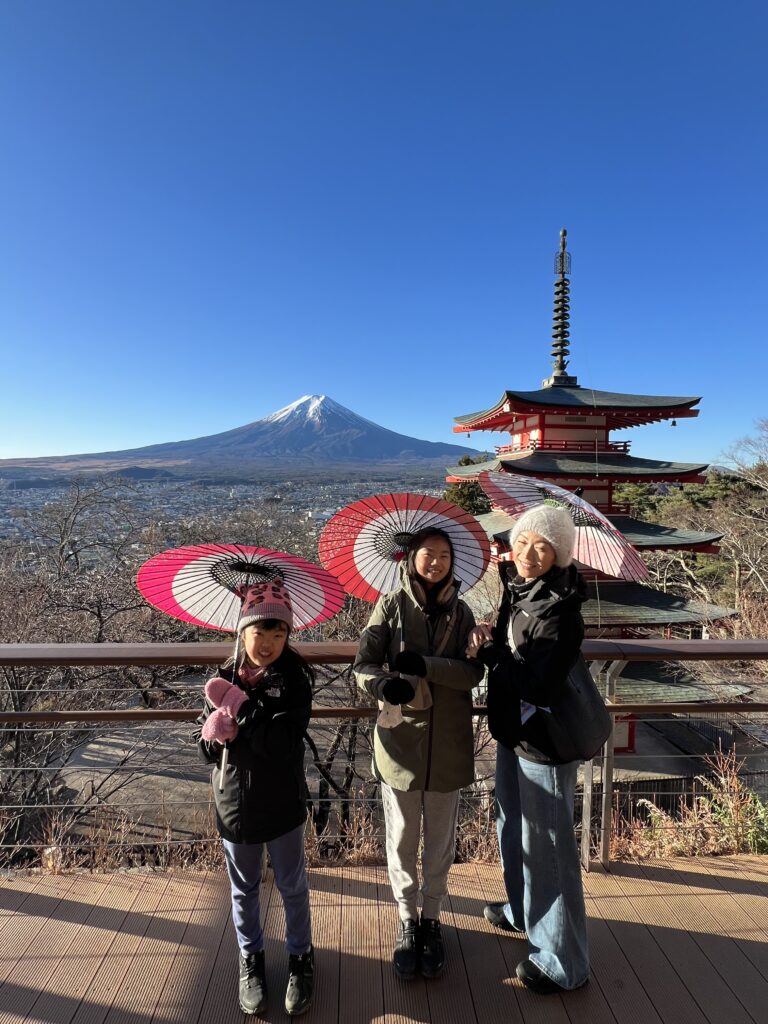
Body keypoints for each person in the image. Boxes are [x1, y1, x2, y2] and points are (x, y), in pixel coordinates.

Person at [467, 504, 590, 995]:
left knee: (550, 846)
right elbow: (509, 646)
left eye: (543, 545)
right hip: (512, 732)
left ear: (560, 553)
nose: (529, 553)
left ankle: (565, 960)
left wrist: (493, 653)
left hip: (545, 741)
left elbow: (538, 683)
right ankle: (523, 911)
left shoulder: (562, 610)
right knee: (512, 826)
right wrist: (487, 633)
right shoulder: (520, 591)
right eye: (523, 542)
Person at [354, 527, 483, 979]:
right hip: (400, 742)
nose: (435, 562)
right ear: (410, 559)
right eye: (427, 554)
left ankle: (433, 919)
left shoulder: (463, 613)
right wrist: (381, 684)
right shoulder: (390, 607)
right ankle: (407, 921)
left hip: (448, 744)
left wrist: (425, 666)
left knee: (441, 844)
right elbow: (362, 666)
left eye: (444, 555)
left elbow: (471, 674)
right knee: (403, 837)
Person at [194, 579, 315, 1017]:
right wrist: (213, 733)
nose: (268, 643)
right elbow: (203, 748)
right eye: (260, 633)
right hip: (234, 804)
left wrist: (241, 710)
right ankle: (252, 960)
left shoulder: (295, 681)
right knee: (243, 889)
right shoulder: (222, 678)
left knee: (291, 886)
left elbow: (283, 743)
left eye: (279, 634)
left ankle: (301, 959)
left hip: (281, 801)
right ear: (241, 631)